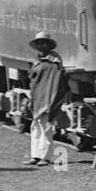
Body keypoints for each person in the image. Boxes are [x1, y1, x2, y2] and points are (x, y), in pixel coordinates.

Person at [25, 31, 68, 166]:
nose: (40, 45)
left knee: (46, 128)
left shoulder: (54, 62)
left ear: (49, 45)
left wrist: (52, 102)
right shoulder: (37, 61)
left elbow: (56, 83)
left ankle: (46, 157)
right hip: (37, 98)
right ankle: (35, 155)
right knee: (35, 127)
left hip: (47, 99)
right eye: (38, 43)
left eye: (43, 43)